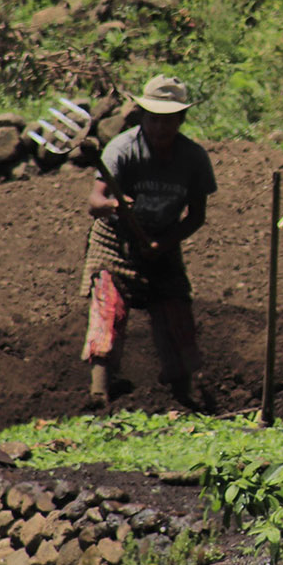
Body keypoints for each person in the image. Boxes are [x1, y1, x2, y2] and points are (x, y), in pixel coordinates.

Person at [81, 75, 217, 409]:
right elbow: (94, 204)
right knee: (108, 310)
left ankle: (184, 394)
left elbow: (196, 216)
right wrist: (117, 205)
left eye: (168, 120)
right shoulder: (122, 149)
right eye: (153, 119)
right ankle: (99, 396)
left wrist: (165, 244)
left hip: (163, 241)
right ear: (143, 116)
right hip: (115, 240)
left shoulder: (193, 158)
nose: (159, 128)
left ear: (181, 120)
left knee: (176, 317)